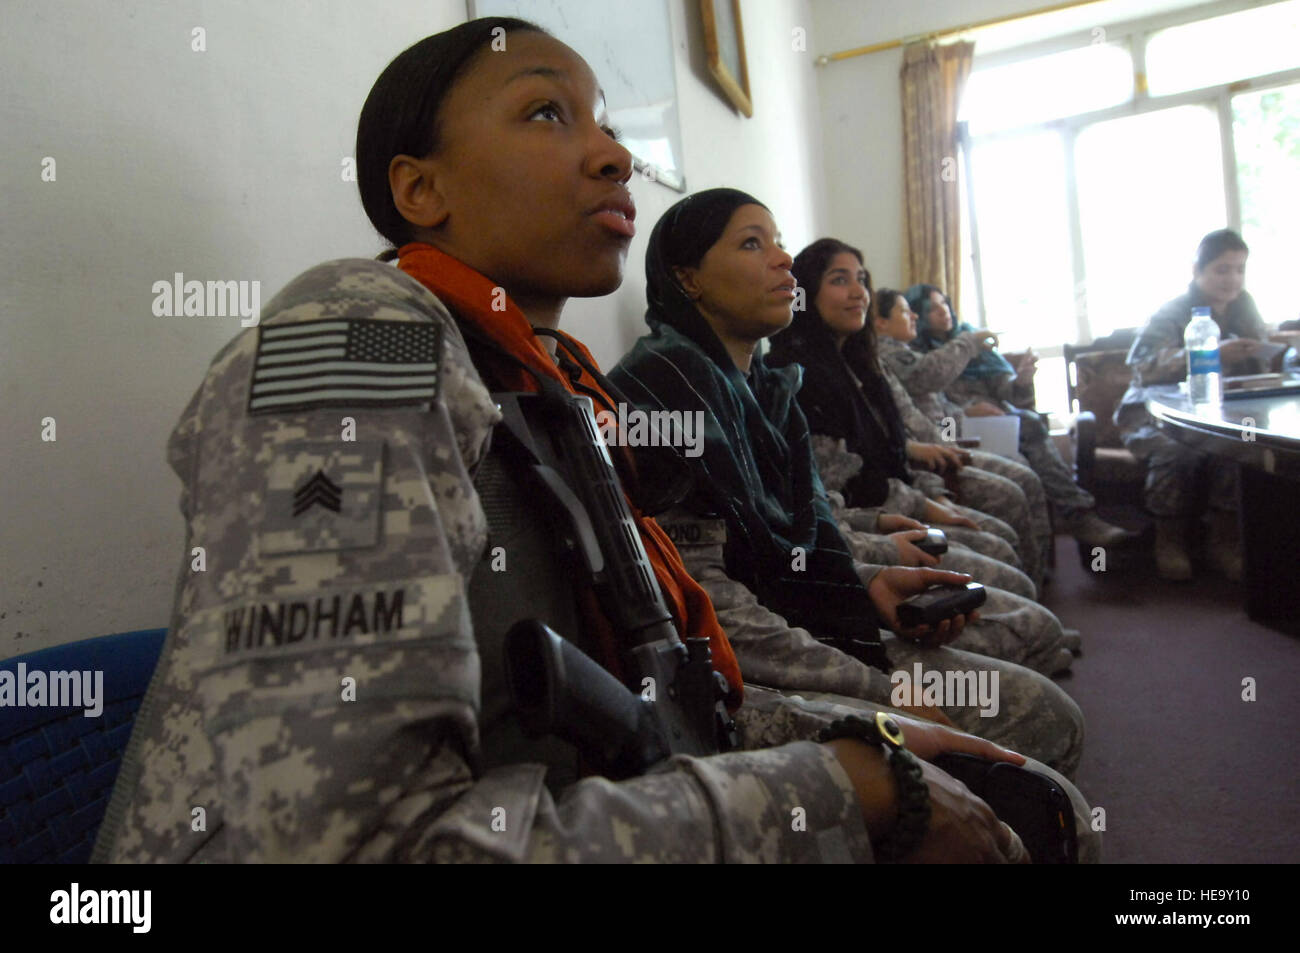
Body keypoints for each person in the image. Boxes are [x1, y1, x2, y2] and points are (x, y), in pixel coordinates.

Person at [92, 19, 1035, 864]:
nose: (614, 158)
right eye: (546, 113)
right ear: (420, 187)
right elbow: (361, 846)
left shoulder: (551, 382)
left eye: (608, 125)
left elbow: (656, 691)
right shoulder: (352, 336)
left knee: (1017, 791)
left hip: (571, 781)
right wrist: (837, 788)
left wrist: (859, 745)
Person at [609, 189, 1087, 777]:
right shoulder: (662, 394)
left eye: (779, 241)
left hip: (824, 619)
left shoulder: (766, 387)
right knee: (1047, 722)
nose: (783, 259)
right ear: (688, 278)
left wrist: (867, 578)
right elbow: (711, 608)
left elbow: (806, 533)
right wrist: (881, 689)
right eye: (752, 243)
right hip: (746, 669)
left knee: (1044, 694)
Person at [769, 239, 1053, 594]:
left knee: (1010, 513)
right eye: (840, 280)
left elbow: (896, 449)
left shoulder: (860, 361)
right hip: (867, 523)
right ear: (806, 293)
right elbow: (850, 487)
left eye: (861, 279)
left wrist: (933, 494)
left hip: (907, 491)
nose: (859, 292)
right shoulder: (798, 375)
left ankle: (1040, 613)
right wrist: (930, 504)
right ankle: (1035, 626)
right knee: (1001, 545)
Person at [880, 284, 1129, 550]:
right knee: (1023, 458)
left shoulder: (966, 341)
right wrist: (964, 411)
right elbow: (935, 405)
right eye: (933, 308)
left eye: (945, 304)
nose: (944, 312)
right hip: (959, 429)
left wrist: (1019, 381)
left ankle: (1072, 523)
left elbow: (1008, 392)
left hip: (988, 420)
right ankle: (1077, 518)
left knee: (1029, 426)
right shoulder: (925, 355)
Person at [1116, 228, 1268, 581]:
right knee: (1178, 450)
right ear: (1198, 272)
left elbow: (1261, 354)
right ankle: (1169, 541)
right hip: (1154, 417)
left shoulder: (1245, 307)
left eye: (1239, 269)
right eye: (1221, 269)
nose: (1232, 279)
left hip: (1219, 411)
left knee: (1239, 447)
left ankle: (1224, 540)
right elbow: (1142, 367)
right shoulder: (1173, 313)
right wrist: (1209, 353)